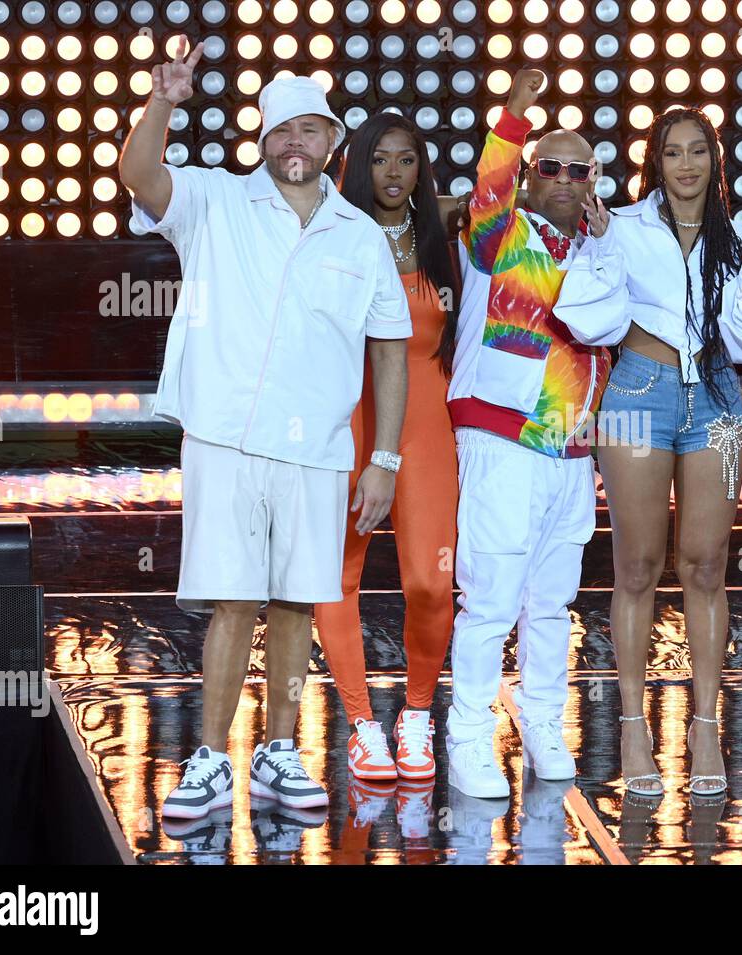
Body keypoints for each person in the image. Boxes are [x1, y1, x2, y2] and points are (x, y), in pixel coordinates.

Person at [119, 41, 411, 820]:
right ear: (263, 141)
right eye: (283, 132)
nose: (296, 145)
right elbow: (139, 176)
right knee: (234, 600)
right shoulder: (214, 200)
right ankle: (211, 758)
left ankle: (280, 751)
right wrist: (164, 101)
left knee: (295, 604)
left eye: (310, 132)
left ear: (331, 145)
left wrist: (384, 456)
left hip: (317, 450)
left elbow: (390, 352)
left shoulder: (359, 235)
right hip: (226, 437)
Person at [552, 107, 742, 796]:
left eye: (698, 152)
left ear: (715, 161)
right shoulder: (619, 225)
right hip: (636, 394)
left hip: (717, 399)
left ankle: (705, 724)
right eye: (673, 153)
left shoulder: (740, 234)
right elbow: (588, 319)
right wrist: (594, 247)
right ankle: (631, 722)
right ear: (656, 163)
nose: (686, 164)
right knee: (638, 565)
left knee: (707, 564)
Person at [443, 68, 610, 798]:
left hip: (572, 450)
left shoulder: (602, 246)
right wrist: (512, 115)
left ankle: (542, 715)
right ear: (531, 175)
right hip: (500, 441)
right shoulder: (497, 231)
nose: (568, 179)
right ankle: (469, 733)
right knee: (489, 599)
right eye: (553, 167)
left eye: (582, 169)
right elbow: (488, 184)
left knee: (552, 601)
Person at [314, 113, 463, 785]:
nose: (394, 173)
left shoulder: (440, 234)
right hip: (348, 419)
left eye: (407, 160)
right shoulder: (329, 236)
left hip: (426, 422)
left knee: (431, 581)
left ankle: (418, 715)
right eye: (380, 160)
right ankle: (362, 723)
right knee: (333, 575)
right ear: (358, 167)